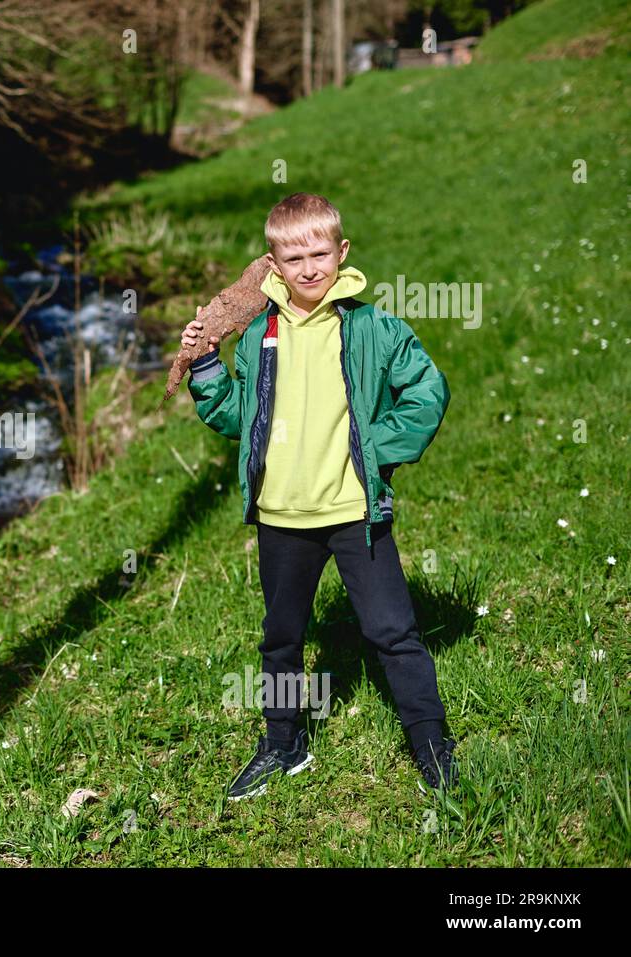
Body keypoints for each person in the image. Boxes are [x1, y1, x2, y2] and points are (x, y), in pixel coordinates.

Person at [182, 192, 460, 801]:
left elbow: (426, 393)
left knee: (393, 632)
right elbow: (236, 416)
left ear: (342, 252)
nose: (309, 269)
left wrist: (375, 451)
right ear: (273, 265)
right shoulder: (259, 336)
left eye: (319, 253)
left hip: (353, 514)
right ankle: (284, 743)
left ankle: (431, 743)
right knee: (281, 637)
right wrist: (205, 368)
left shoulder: (373, 328)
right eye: (294, 257)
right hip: (281, 514)